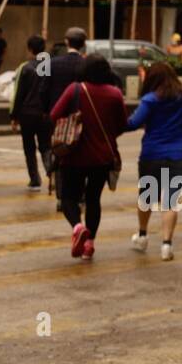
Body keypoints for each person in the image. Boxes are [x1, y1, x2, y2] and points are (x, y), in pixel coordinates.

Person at [49, 53, 126, 260]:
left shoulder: (75, 89)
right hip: (102, 159)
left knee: (68, 198)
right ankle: (89, 244)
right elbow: (122, 125)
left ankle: (77, 227)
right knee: (94, 200)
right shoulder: (115, 94)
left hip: (73, 156)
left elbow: (54, 115)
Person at [123, 61, 182, 261]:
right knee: (170, 202)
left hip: (152, 155)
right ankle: (166, 245)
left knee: (147, 198)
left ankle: (142, 236)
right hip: (178, 154)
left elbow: (133, 123)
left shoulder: (150, 100)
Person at [39, 26, 89, 207]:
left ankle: (62, 196)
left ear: (66, 42)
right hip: (81, 119)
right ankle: (80, 195)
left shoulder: (51, 63)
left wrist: (46, 112)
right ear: (83, 44)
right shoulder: (87, 65)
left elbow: (43, 89)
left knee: (60, 156)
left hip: (58, 118)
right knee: (81, 157)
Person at [10, 35, 52, 193]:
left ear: (30, 49)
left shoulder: (25, 68)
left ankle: (35, 180)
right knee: (46, 147)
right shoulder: (48, 66)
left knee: (29, 148)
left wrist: (13, 117)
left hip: (27, 114)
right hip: (44, 115)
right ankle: (51, 174)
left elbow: (18, 93)